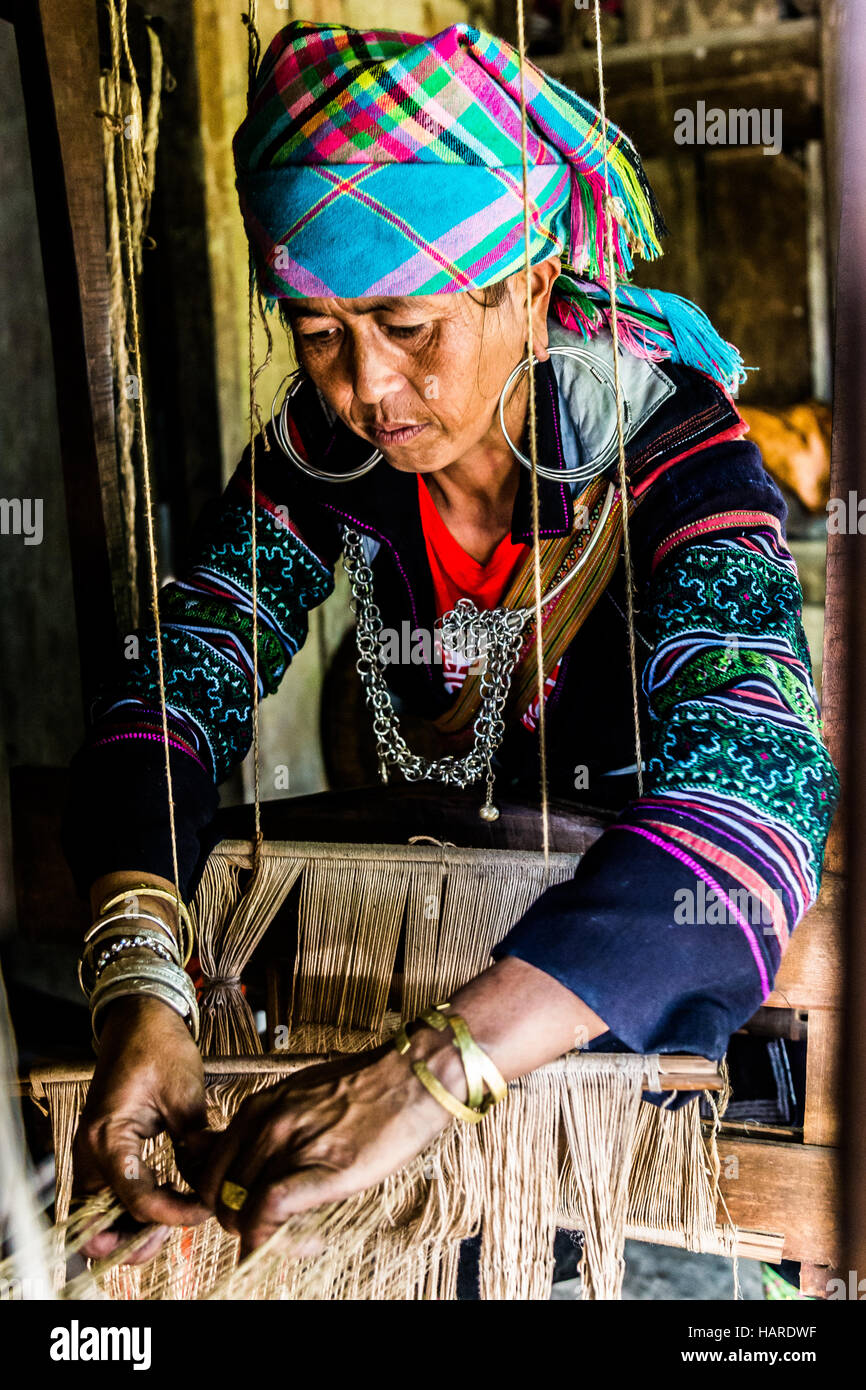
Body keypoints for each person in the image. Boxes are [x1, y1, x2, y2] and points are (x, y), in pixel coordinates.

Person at [63, 20, 837, 1265]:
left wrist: (417, 1080)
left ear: (527, 286)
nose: (364, 387)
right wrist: (140, 981)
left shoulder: (674, 455)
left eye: (406, 324)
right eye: (318, 334)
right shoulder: (324, 457)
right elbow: (173, 686)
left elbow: (749, 808)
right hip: (402, 1013)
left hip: (619, 1066)